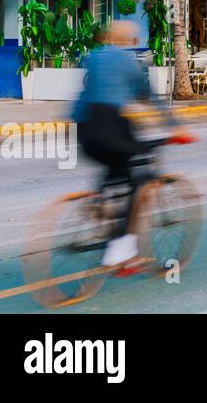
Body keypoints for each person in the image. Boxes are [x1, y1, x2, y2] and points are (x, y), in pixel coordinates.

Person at [71, 20, 171, 269]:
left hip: (83, 130)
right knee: (136, 176)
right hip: (109, 128)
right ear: (127, 40)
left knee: (113, 167)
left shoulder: (91, 57)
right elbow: (147, 94)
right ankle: (121, 248)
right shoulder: (126, 61)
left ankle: (100, 204)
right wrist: (174, 124)